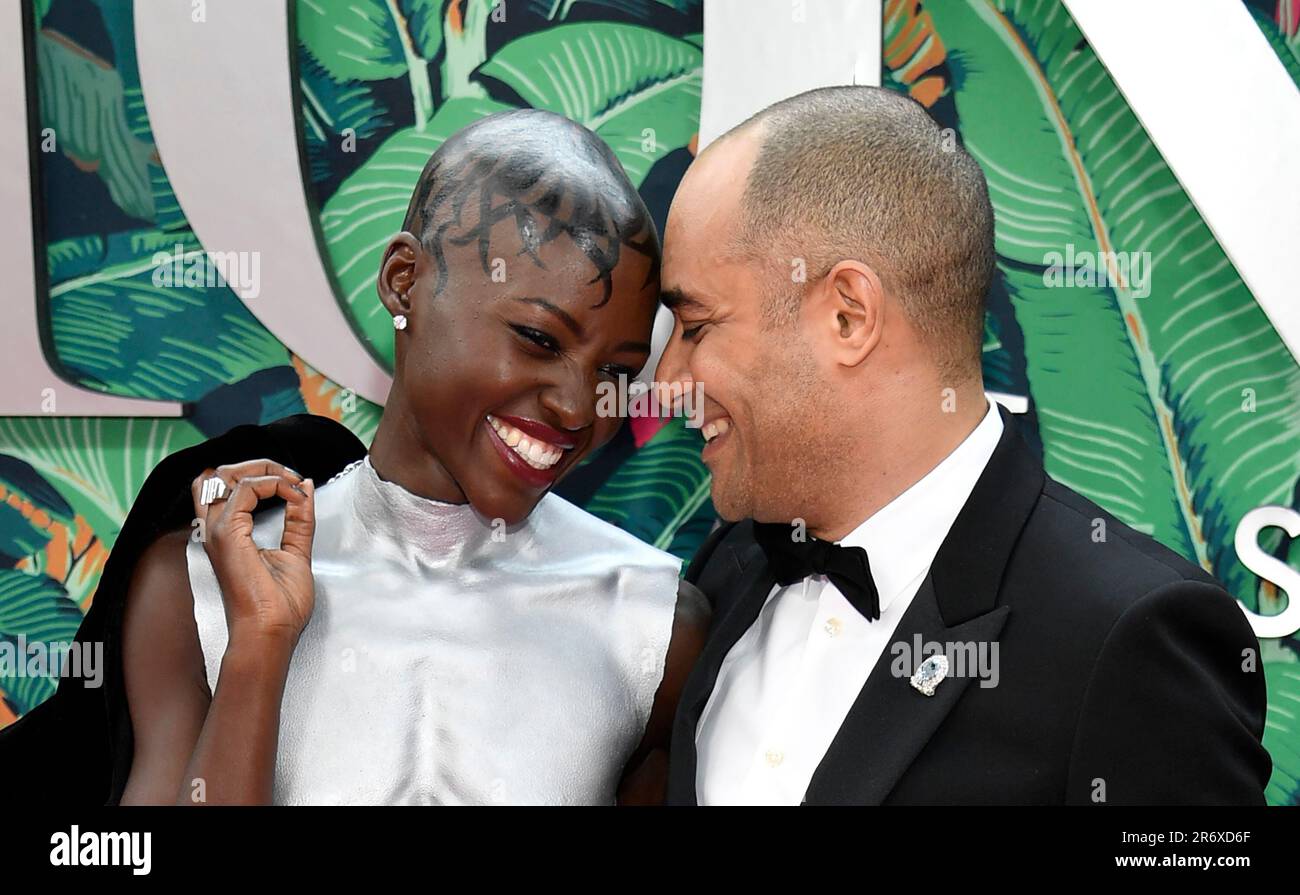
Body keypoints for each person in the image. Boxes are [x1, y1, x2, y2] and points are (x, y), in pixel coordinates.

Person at [2, 109, 709, 805]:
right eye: (539, 339)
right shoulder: (195, 589)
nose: (579, 408)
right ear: (404, 279)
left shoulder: (656, 628)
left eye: (614, 370)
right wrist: (258, 646)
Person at [652, 86, 1271, 805]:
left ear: (849, 316)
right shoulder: (730, 571)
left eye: (696, 326)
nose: (667, 384)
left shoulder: (1127, 636)